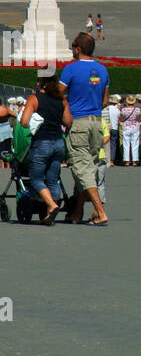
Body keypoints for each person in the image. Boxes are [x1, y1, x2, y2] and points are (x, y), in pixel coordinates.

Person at [59, 33, 109, 225]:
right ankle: (77, 212)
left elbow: (60, 94)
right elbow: (105, 100)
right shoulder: (102, 70)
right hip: (96, 123)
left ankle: (100, 211)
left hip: (78, 122)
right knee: (89, 168)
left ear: (78, 49)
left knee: (82, 168)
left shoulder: (70, 69)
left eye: (72, 46)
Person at [20, 76, 72, 224]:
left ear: (39, 83)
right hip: (58, 142)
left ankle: (52, 205)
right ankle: (49, 214)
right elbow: (68, 121)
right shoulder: (61, 99)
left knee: (36, 178)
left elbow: (24, 122)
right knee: (53, 179)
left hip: (42, 142)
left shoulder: (34, 98)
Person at [119, 95, 140, 165]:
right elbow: (139, 118)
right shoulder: (138, 110)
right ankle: (134, 161)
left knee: (126, 144)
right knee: (135, 144)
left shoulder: (123, 110)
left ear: (127, 102)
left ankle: (127, 161)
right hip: (135, 127)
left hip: (126, 127)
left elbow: (121, 118)